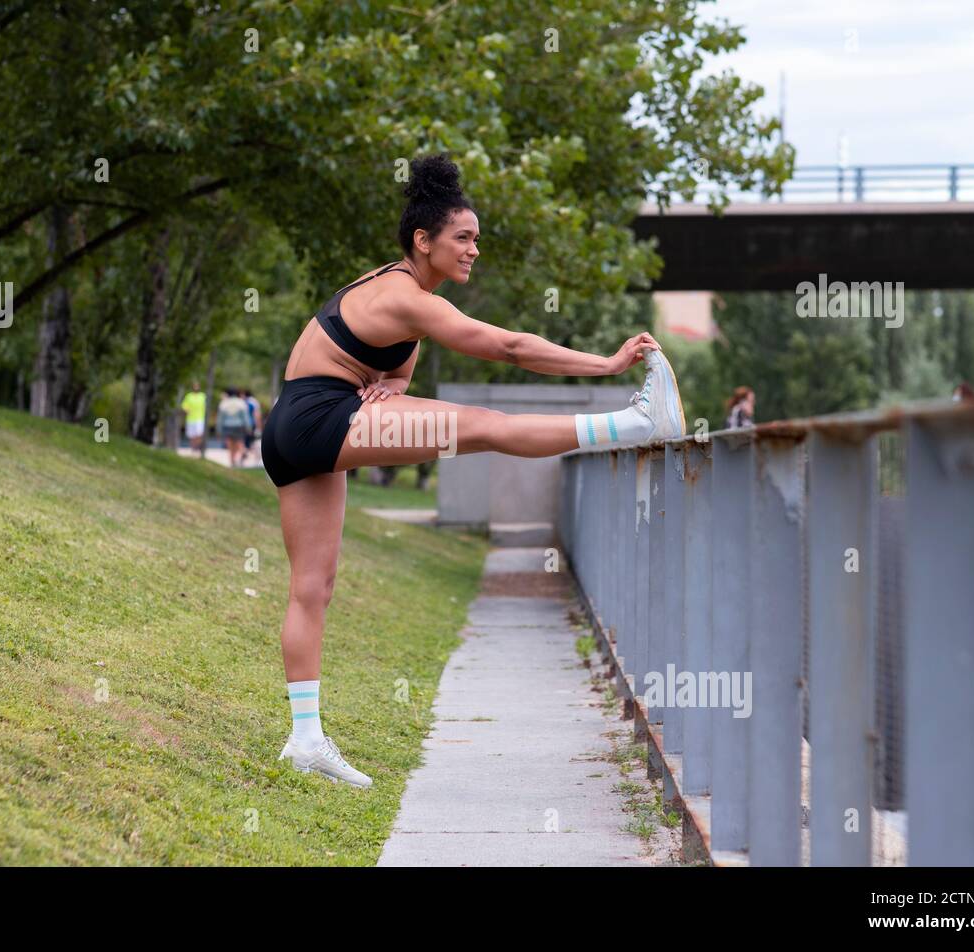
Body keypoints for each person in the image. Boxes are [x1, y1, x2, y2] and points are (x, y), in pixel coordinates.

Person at [262, 154, 685, 787]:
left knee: (312, 588)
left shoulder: (395, 286)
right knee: (485, 424)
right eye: (463, 238)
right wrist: (604, 363)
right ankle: (633, 422)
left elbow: (385, 357)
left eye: (477, 239)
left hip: (296, 424)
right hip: (321, 419)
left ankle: (304, 738)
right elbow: (508, 347)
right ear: (422, 241)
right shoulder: (413, 299)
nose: (473, 250)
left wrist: (393, 384)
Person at [215, 387, 250, 467]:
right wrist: (248, 427)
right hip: (239, 426)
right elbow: (245, 417)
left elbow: (220, 418)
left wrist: (218, 430)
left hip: (227, 426)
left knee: (230, 445)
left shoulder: (224, 403)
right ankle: (243, 451)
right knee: (239, 442)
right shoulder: (241, 403)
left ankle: (232, 461)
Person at [182, 382, 206, 452]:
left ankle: (197, 447)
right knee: (192, 434)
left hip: (200, 418)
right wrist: (186, 410)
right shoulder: (189, 396)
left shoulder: (203, 396)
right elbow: (184, 406)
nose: (196, 388)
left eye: (197, 386)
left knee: (199, 433)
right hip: (190, 418)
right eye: (195, 386)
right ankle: (193, 448)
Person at [241, 389, 263, 465]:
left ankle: (250, 457)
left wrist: (258, 426)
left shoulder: (249, 402)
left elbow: (256, 415)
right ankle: (252, 458)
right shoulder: (253, 402)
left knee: (249, 442)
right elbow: (257, 415)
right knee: (249, 442)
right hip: (251, 424)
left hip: (248, 425)